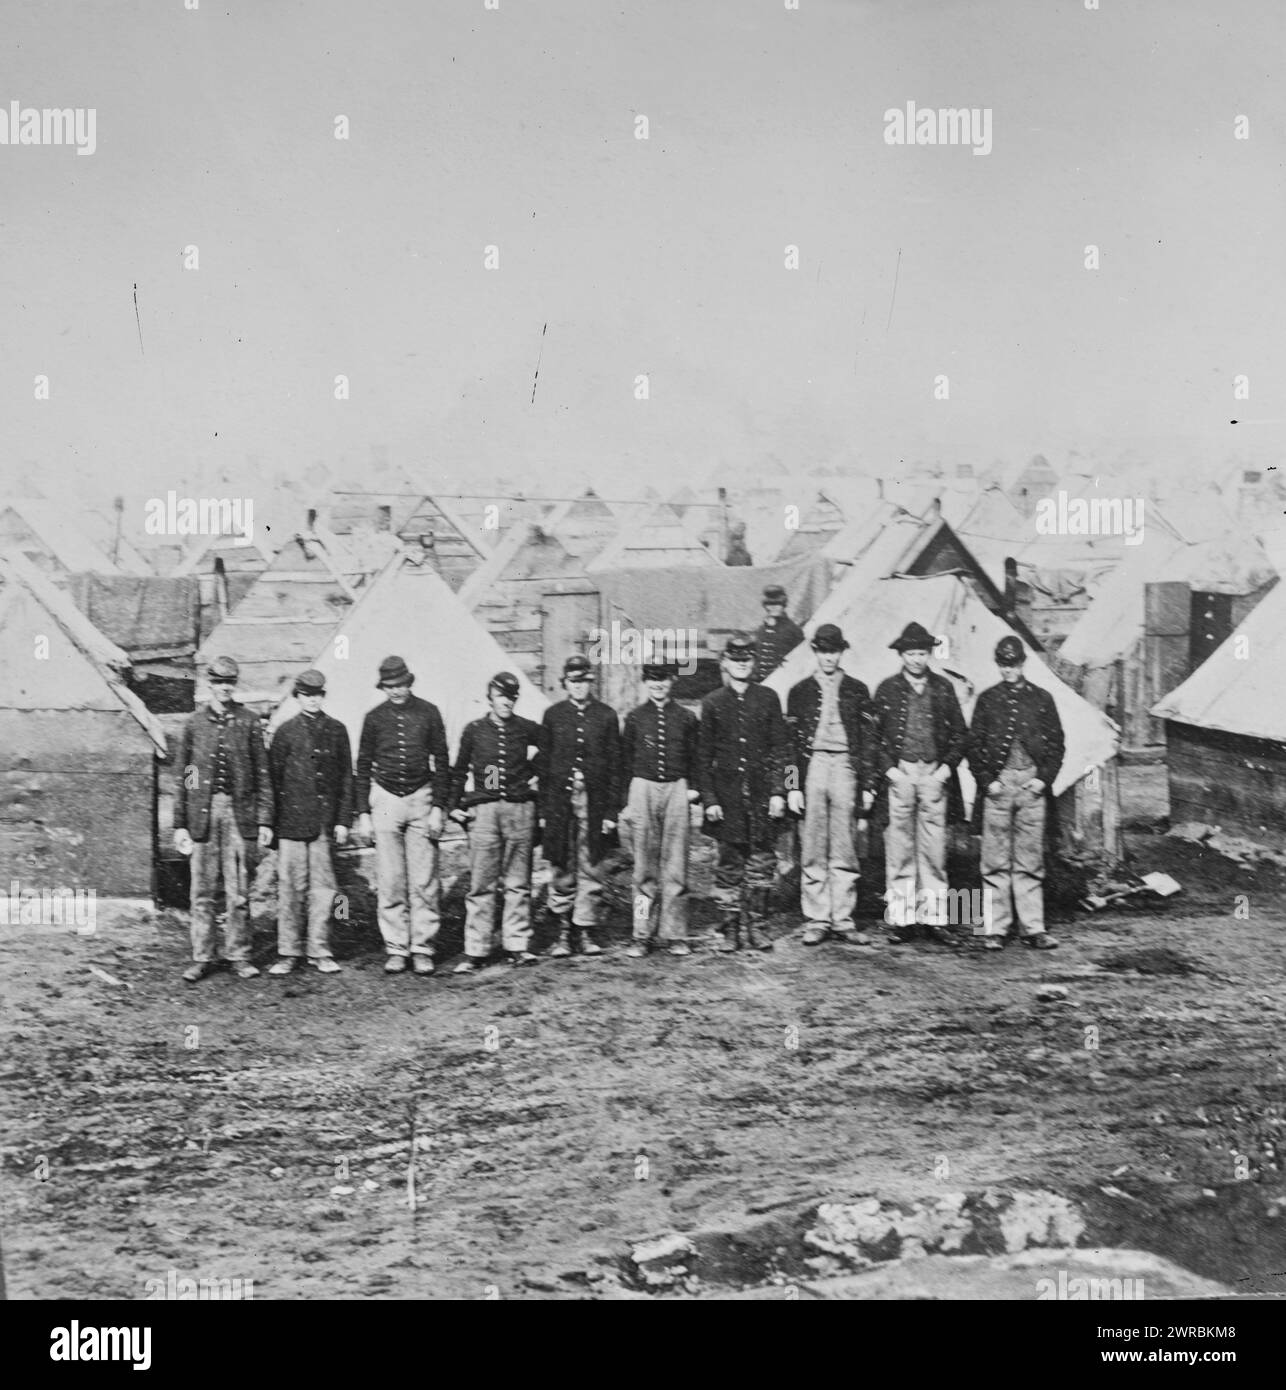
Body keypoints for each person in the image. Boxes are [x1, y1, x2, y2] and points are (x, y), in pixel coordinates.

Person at [173, 655, 274, 983]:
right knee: (202, 891)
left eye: (229, 683)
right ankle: (203, 956)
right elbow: (185, 776)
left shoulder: (249, 722)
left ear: (235, 685)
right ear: (209, 685)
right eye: (218, 683)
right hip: (203, 812)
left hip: (238, 812)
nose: (224, 689)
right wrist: (181, 823)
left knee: (238, 890)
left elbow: (263, 775)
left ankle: (240, 955)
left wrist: (264, 821)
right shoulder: (194, 725)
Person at [967, 636, 1065, 951]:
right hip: (999, 786)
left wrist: (1043, 780)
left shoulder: (1042, 699)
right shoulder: (987, 700)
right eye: (1003, 664)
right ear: (997, 664)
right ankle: (996, 927)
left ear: (1023, 663)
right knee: (995, 860)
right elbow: (974, 746)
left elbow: (1057, 744)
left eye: (1014, 664)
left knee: (1030, 860)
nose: (1008, 670)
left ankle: (1033, 928)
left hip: (1031, 785)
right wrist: (987, 781)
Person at [871, 622, 968, 940]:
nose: (916, 659)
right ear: (901, 655)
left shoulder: (943, 687)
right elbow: (872, 738)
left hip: (933, 775)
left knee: (934, 849)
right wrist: (890, 771)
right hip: (901, 775)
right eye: (910, 653)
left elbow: (960, 735)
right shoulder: (886, 689)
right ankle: (901, 919)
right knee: (900, 849)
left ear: (930, 654)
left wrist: (946, 769)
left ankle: (936, 918)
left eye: (922, 653)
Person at [355, 656, 450, 976]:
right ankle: (396, 946)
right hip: (385, 800)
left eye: (400, 685)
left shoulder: (429, 713)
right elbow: (363, 765)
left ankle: (423, 946)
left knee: (424, 879)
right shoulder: (374, 718)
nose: (395, 691)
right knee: (391, 879)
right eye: (389, 686)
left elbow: (442, 761)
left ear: (410, 683)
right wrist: (364, 813)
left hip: (421, 797)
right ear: (383, 687)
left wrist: (439, 807)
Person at [784, 624, 878, 947]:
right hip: (812, 766)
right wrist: (792, 785)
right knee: (812, 844)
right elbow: (789, 746)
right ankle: (817, 918)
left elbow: (868, 741)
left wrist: (868, 783)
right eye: (823, 651)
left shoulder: (857, 689)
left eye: (834, 651)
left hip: (845, 766)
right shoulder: (799, 691)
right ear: (815, 652)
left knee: (844, 843)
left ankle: (843, 917)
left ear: (841, 652)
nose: (828, 657)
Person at [697, 634, 792, 951]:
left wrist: (781, 791)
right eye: (735, 660)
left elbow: (783, 749)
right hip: (727, 797)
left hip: (763, 794)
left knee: (762, 861)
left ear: (754, 663)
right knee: (728, 862)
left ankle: (758, 926)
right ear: (724, 662)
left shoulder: (768, 698)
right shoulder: (712, 703)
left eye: (747, 660)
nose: (741, 665)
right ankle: (730, 929)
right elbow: (702, 758)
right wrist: (709, 799)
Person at [449, 671, 543, 971]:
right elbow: (460, 769)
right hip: (484, 811)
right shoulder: (474, 730)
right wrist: (453, 805)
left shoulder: (526, 728)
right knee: (482, 883)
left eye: (512, 697)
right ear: (490, 698)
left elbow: (553, 749)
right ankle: (477, 949)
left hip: (519, 809)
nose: (507, 702)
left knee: (518, 882)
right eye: (501, 696)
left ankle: (517, 944)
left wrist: (531, 774)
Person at [266, 669, 354, 975]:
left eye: (317, 695)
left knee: (325, 889)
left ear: (323, 696)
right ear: (298, 697)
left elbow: (346, 779)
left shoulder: (337, 730)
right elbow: (273, 781)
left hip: (323, 825)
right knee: (291, 888)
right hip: (290, 824)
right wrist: (271, 825)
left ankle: (320, 949)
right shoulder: (285, 732)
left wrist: (343, 821)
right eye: (306, 695)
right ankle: (289, 952)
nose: (312, 700)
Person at [539, 654, 621, 958]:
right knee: (562, 861)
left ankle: (585, 929)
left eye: (584, 681)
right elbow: (544, 767)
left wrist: (612, 812)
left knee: (591, 862)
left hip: (594, 800)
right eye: (573, 682)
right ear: (565, 684)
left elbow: (616, 766)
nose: (579, 687)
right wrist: (545, 811)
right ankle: (563, 931)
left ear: (591, 682)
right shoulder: (553, 716)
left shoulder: (607, 716)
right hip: (560, 800)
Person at [620, 661, 701, 958]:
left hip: (677, 789)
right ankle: (641, 934)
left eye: (664, 679)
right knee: (643, 867)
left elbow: (698, 757)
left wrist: (695, 790)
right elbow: (624, 761)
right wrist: (626, 801)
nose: (658, 685)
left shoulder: (687, 718)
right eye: (652, 680)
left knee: (676, 865)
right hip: (642, 789)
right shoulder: (635, 718)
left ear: (672, 681)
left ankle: (675, 934)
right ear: (645, 682)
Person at [752, 584, 806, 682]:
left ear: (784, 605)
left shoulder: (793, 630)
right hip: (760, 681)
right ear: (765, 605)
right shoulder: (761, 629)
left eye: (777, 604)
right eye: (769, 604)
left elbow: (801, 659)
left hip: (782, 680)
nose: (773, 608)